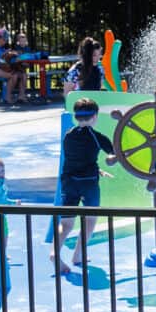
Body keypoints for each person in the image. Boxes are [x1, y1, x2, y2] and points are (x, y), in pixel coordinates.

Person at [51, 96, 114, 273]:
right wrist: (112, 159)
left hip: (69, 182)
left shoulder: (68, 135)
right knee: (90, 219)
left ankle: (54, 252)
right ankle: (78, 254)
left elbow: (77, 158)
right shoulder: (97, 137)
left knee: (66, 223)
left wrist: (97, 169)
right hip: (88, 183)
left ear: (76, 116)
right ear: (95, 117)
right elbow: (113, 153)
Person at [0, 28, 27, 104]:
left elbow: (6, 61)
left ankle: (21, 97)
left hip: (4, 67)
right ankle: (8, 98)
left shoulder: (3, 48)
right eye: (4, 39)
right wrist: (3, 54)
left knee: (22, 74)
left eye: (6, 39)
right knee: (12, 75)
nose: (5, 41)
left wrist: (13, 56)